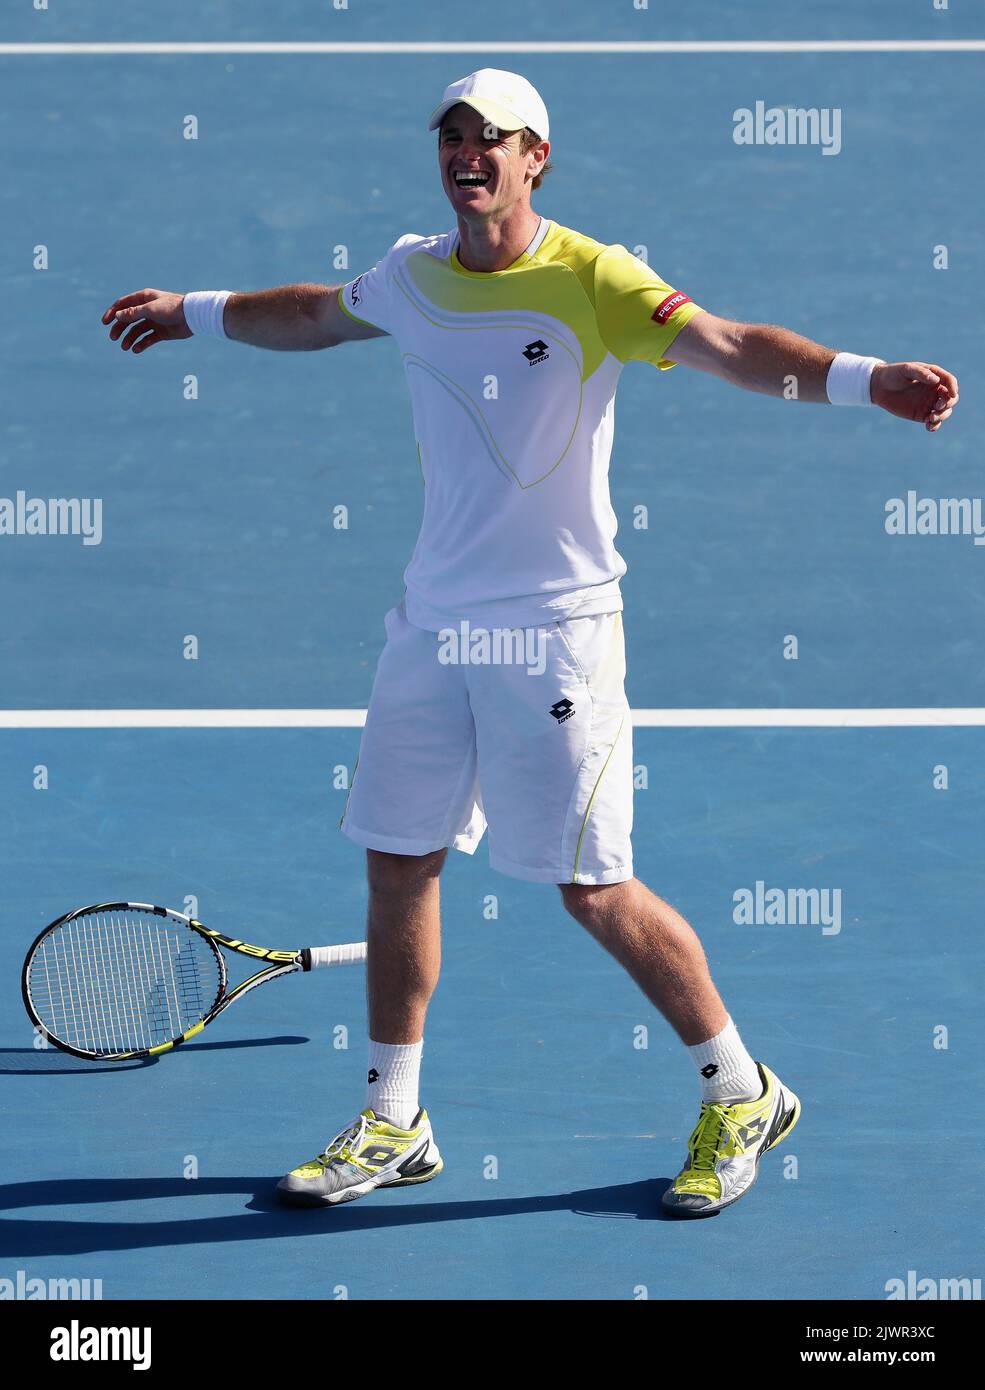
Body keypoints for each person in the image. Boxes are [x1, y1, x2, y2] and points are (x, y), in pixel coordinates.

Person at [102, 69, 959, 1218]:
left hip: (555, 636)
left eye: (492, 139)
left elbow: (731, 344)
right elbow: (311, 314)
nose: (469, 154)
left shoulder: (595, 279)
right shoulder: (410, 274)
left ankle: (741, 1088)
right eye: (452, 137)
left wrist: (865, 380)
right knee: (398, 860)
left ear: (535, 158)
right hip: (430, 625)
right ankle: (394, 1119)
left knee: (592, 890)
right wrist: (194, 309)